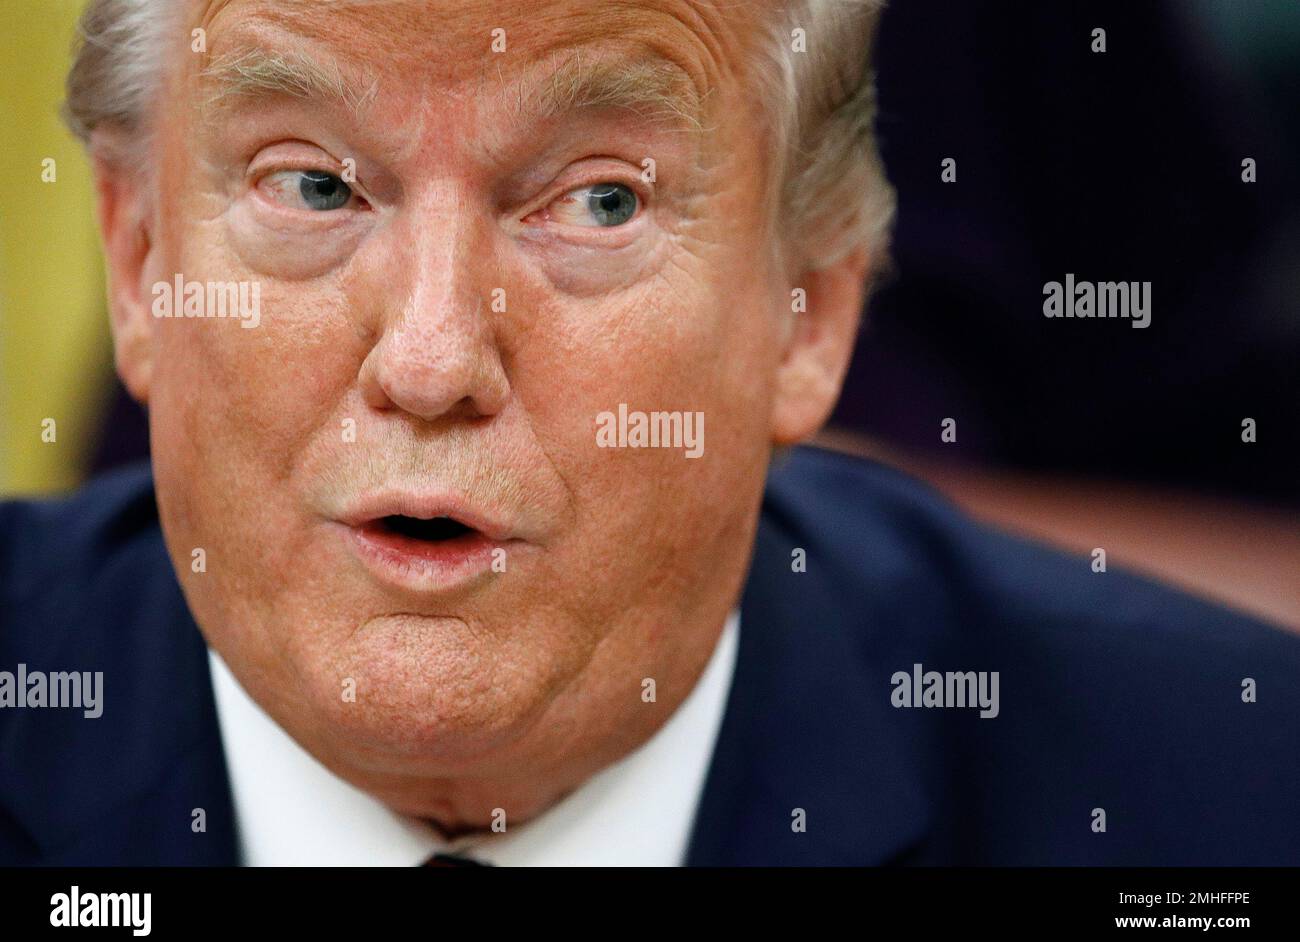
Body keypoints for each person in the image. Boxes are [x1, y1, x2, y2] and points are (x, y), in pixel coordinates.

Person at [1, 0, 1296, 866]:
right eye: (315, 185)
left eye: (603, 202)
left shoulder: (1231, 801)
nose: (434, 360)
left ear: (811, 313)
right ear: (139, 262)